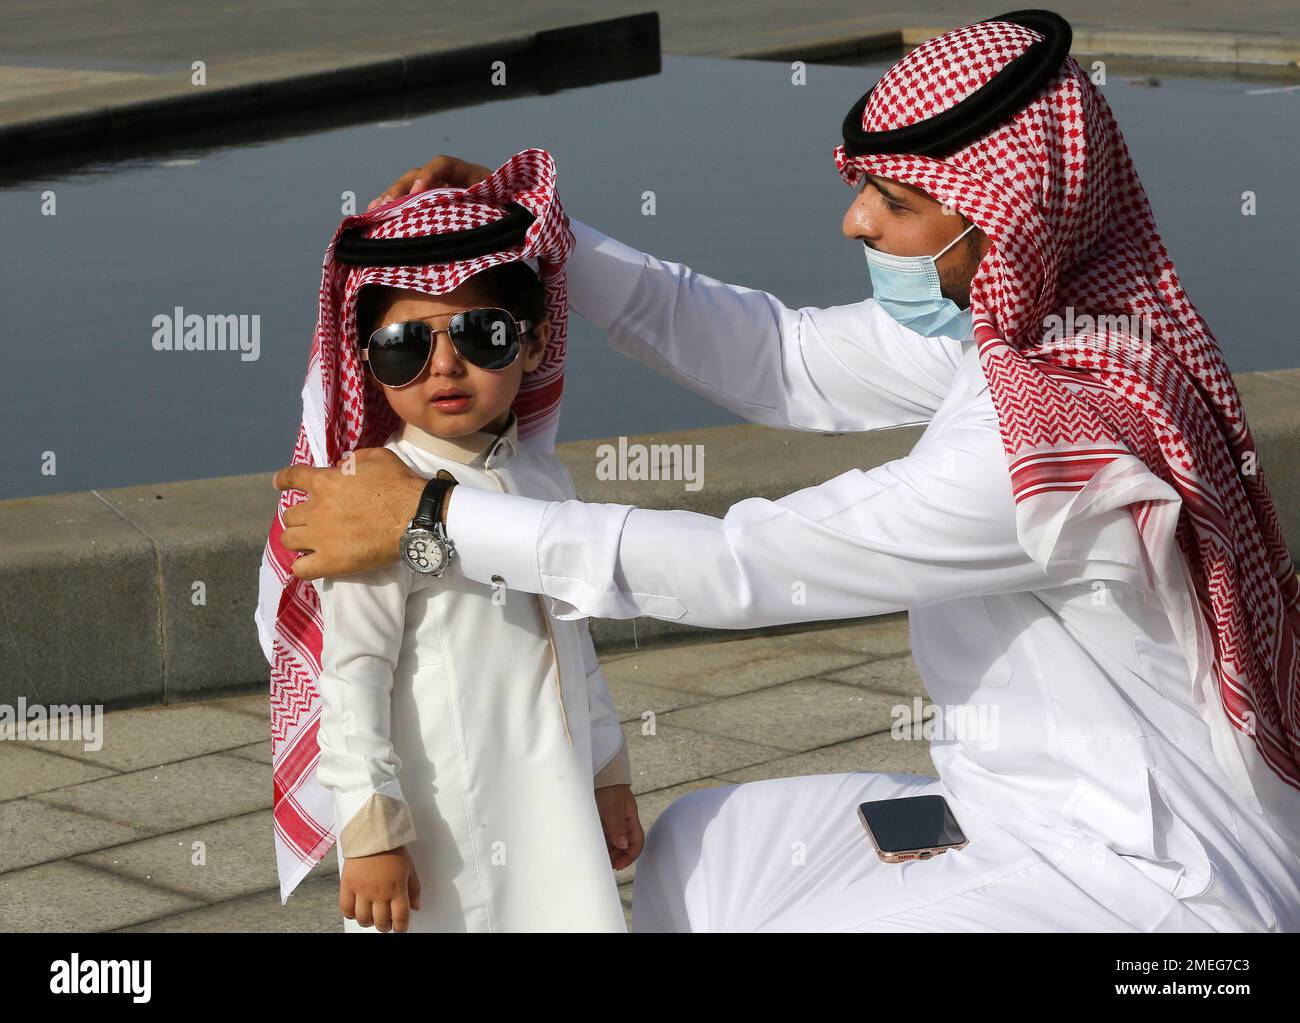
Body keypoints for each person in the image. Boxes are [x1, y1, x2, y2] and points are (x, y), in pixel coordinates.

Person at [272, 11, 1300, 931]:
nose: (856, 220)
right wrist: (533, 242)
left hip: (1147, 883)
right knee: (703, 855)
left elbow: (746, 565)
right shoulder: (1033, 330)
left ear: (1003, 224)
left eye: (894, 202)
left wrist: (435, 521)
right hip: (1004, 813)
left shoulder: (1048, 448)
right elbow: (781, 358)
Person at [254, 149, 641, 932]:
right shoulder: (368, 498)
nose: (444, 366)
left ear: (532, 345)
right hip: (439, 827)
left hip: (553, 799)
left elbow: (578, 644)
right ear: (367, 366)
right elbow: (352, 676)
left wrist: (607, 772)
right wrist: (369, 832)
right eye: (406, 346)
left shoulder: (544, 477)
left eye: (481, 333)